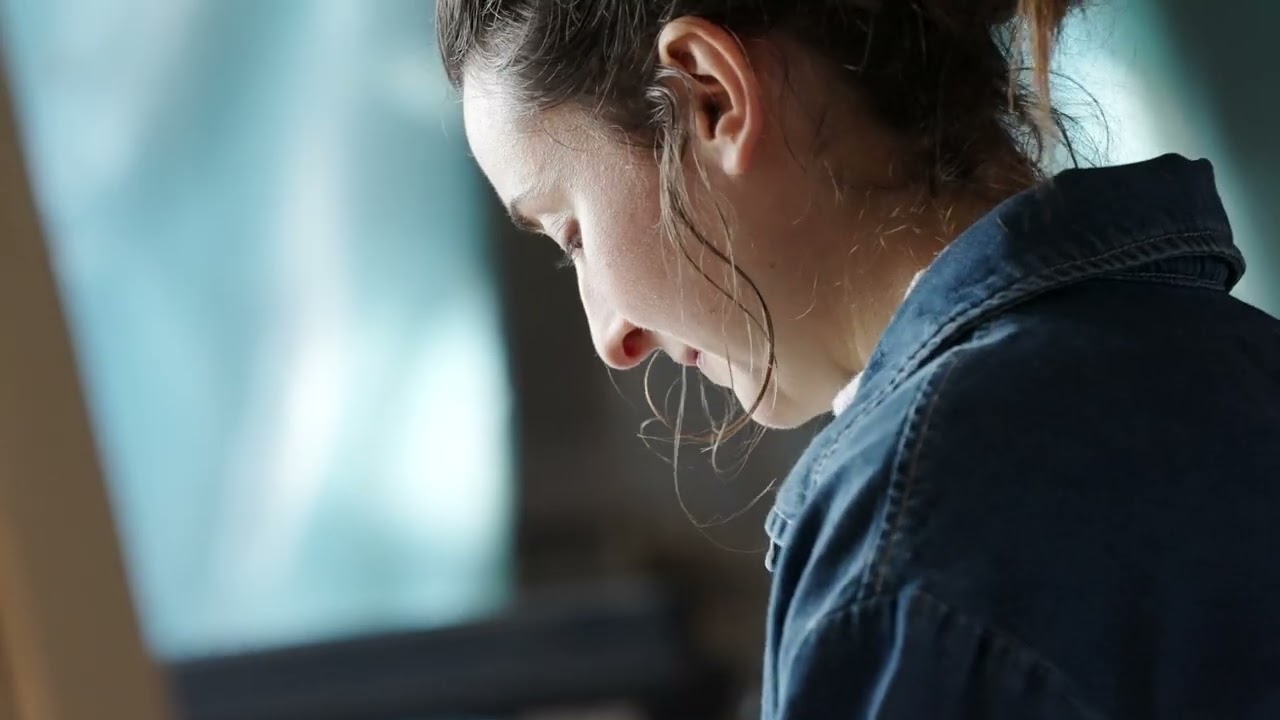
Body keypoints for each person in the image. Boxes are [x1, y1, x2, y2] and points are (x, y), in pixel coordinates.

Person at [436, 0, 1280, 717]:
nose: (611, 339)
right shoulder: (1244, 365)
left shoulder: (916, 542)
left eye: (571, 232)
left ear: (709, 95)